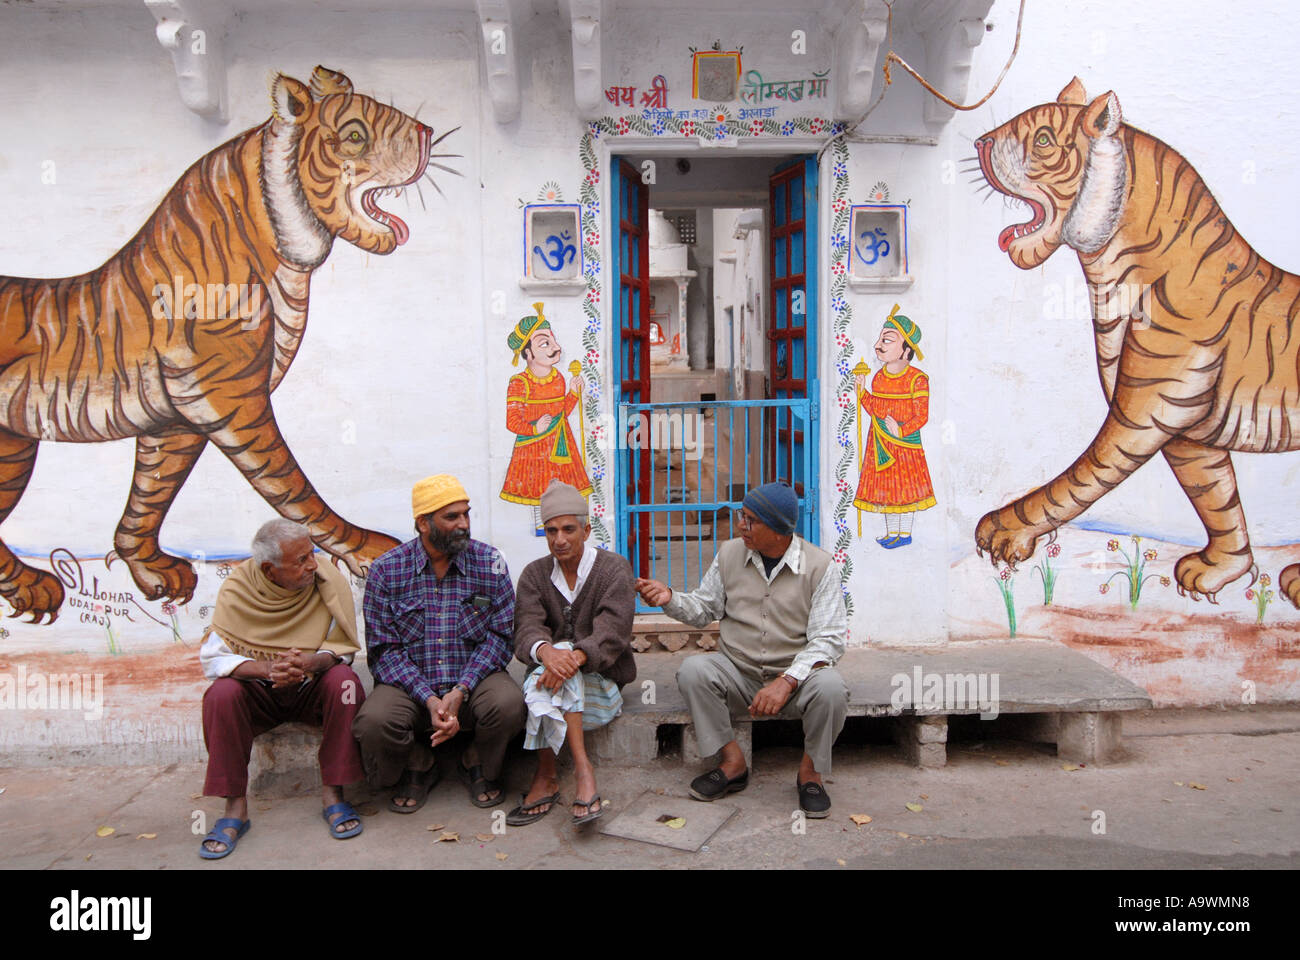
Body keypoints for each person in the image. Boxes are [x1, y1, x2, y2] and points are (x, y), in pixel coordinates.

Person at [635, 481, 848, 818]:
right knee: (694, 671)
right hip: (739, 673)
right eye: (741, 516)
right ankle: (733, 762)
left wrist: (787, 681)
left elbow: (829, 639)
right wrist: (670, 599)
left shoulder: (820, 566)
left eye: (750, 520)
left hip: (794, 683)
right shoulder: (730, 553)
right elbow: (705, 608)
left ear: (778, 530)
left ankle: (811, 773)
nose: (740, 526)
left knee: (832, 687)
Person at [352, 474, 525, 813]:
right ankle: (418, 761)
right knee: (374, 721)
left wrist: (461, 689)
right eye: (451, 517)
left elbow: (501, 637)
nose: (463, 524)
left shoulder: (490, 563)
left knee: (509, 704)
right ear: (423, 523)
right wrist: (429, 699)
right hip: (410, 686)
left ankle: (475, 758)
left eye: (466, 514)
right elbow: (384, 652)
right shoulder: (386, 571)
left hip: (473, 681)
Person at [198, 518, 366, 859]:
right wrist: (268, 669)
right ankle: (235, 808)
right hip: (259, 691)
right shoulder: (238, 589)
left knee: (345, 685)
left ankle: (333, 793)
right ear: (269, 570)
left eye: (311, 554)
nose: (311, 565)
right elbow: (213, 661)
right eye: (300, 560)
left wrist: (308, 663)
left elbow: (343, 649)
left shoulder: (327, 580)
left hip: (311, 686)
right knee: (220, 695)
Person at [509, 480, 636, 826]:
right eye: (551, 530)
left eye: (568, 529)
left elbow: (613, 632)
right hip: (550, 682)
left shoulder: (613, 569)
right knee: (555, 662)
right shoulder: (535, 575)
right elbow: (526, 629)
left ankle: (553, 773)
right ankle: (581, 773)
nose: (559, 539)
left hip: (602, 684)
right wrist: (547, 651)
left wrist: (570, 658)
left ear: (586, 529)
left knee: (562, 661)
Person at [500, 303, 592, 534]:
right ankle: (542, 525)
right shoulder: (519, 383)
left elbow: (561, 410)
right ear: (528, 352)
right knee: (536, 489)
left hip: (561, 443)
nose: (556, 347)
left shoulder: (558, 377)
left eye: (553, 341)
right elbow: (512, 421)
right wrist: (534, 427)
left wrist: (572, 393)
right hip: (533, 448)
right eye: (545, 343)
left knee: (562, 490)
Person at [853, 304, 936, 549]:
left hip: (905, 445)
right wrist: (862, 393)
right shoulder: (879, 377)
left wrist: (902, 430)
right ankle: (892, 533)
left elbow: (922, 416)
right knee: (887, 490)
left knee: (906, 490)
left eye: (887, 340)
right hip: (880, 441)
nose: (879, 344)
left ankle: (905, 533)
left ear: (906, 349)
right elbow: (876, 407)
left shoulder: (917, 379)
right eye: (880, 339)